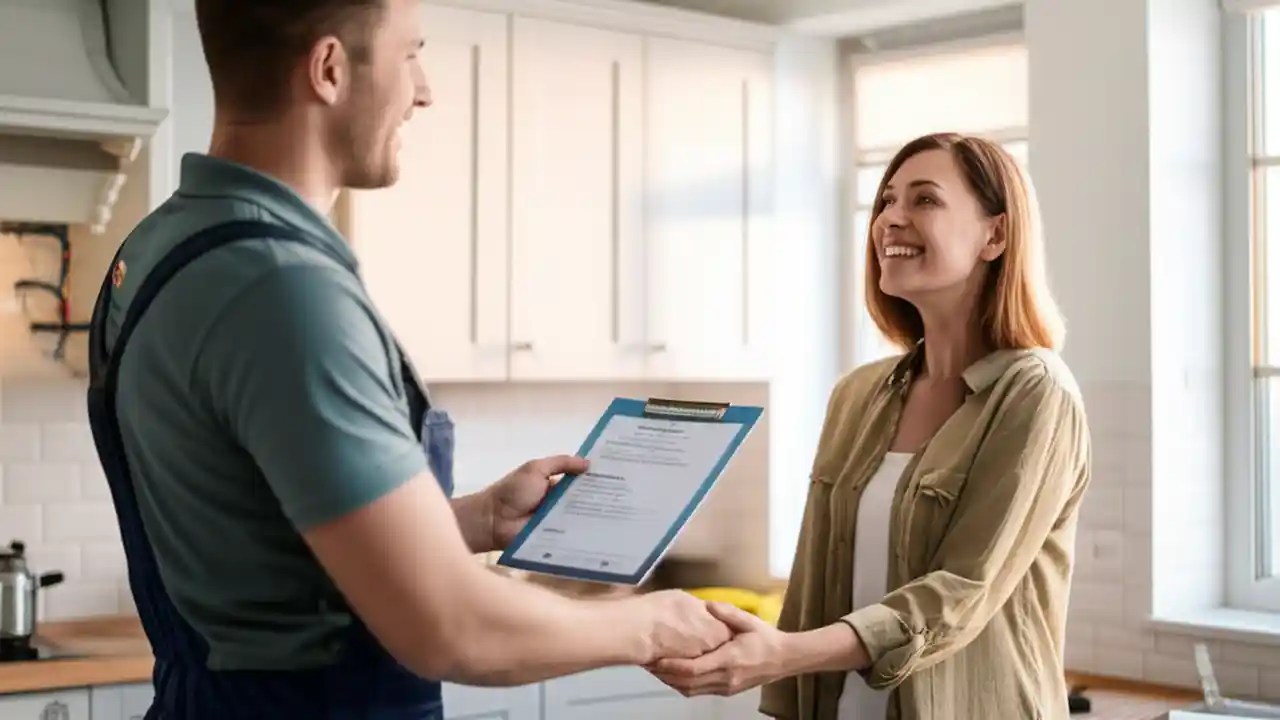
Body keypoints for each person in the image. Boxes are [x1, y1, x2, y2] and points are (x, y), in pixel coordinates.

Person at [84, 0, 730, 717]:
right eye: (410, 54)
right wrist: (647, 624)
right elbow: (452, 627)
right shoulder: (282, 290)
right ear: (329, 70)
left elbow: (271, 548)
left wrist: (479, 518)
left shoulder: (158, 250)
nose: (425, 90)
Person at [646, 132, 1092, 720]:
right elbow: (811, 586)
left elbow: (958, 593)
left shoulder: (1037, 392)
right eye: (885, 201)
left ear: (996, 235)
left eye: (924, 200)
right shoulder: (858, 395)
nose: (890, 220)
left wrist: (783, 654)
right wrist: (773, 661)